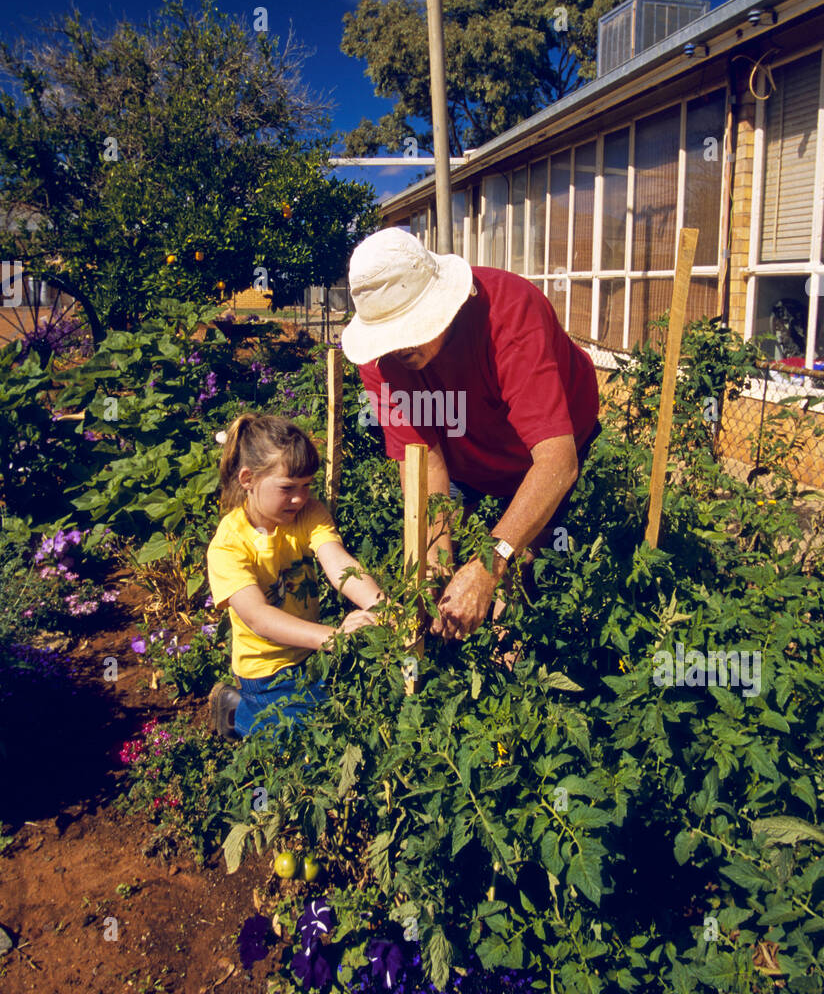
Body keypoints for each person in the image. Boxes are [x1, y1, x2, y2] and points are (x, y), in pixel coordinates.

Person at [341, 228, 601, 642]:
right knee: (442, 581)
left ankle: (522, 665)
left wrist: (490, 566)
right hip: (467, 455)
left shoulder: (510, 313)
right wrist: (436, 560)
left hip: (545, 453)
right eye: (388, 337)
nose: (398, 349)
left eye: (408, 330)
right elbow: (423, 462)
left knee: (520, 592)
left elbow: (557, 461)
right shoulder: (382, 360)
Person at [206, 413, 385, 740]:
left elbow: (340, 565)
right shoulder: (228, 546)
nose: (300, 498)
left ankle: (248, 710)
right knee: (311, 743)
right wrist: (335, 638)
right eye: (288, 488)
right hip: (266, 671)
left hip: (310, 653)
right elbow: (259, 618)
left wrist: (381, 607)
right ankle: (238, 712)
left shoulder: (307, 514)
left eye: (306, 486)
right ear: (248, 479)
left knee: (352, 712)